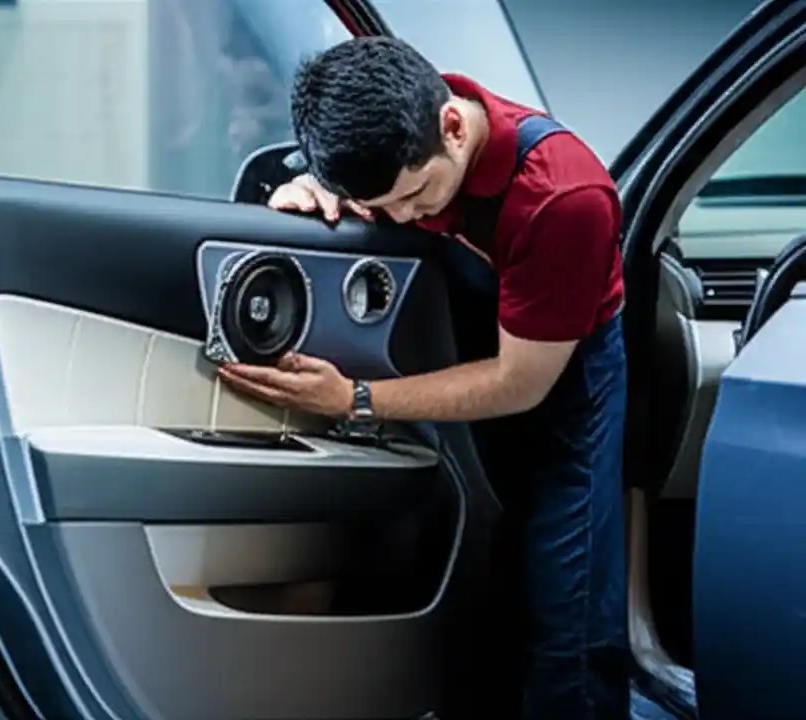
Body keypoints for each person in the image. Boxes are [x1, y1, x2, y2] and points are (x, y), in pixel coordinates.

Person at [217, 36, 629, 720]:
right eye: (388, 208)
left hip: (560, 381)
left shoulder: (563, 198)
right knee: (475, 595)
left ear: (453, 126)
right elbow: (368, 194)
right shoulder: (382, 138)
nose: (407, 218)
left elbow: (520, 383)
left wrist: (353, 399)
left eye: (415, 197)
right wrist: (313, 208)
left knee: (568, 613)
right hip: (456, 346)